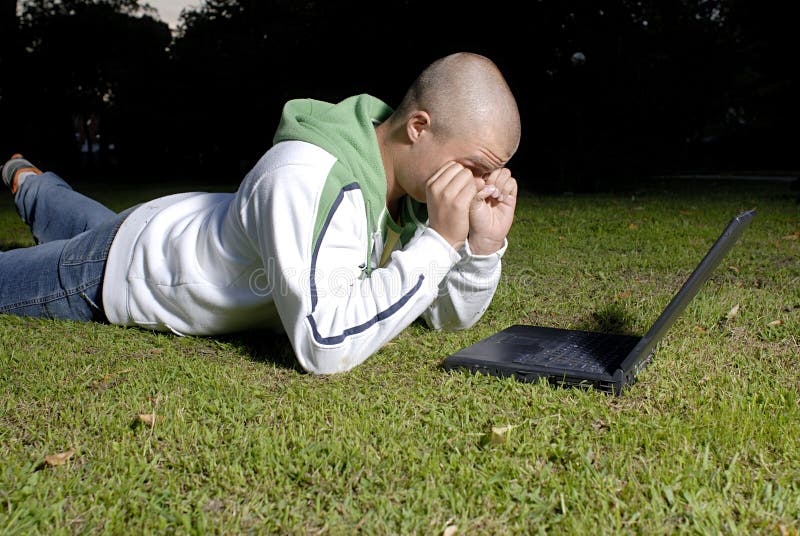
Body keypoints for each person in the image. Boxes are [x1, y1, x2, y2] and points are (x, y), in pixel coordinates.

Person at [0, 52, 521, 374]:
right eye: (476, 166)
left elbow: (439, 318)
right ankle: (27, 180)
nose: (481, 186)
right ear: (418, 127)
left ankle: (27, 179)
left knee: (71, 214)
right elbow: (324, 344)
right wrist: (437, 245)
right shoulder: (308, 175)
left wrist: (479, 248)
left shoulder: (406, 185)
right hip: (124, 270)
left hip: (163, 227)